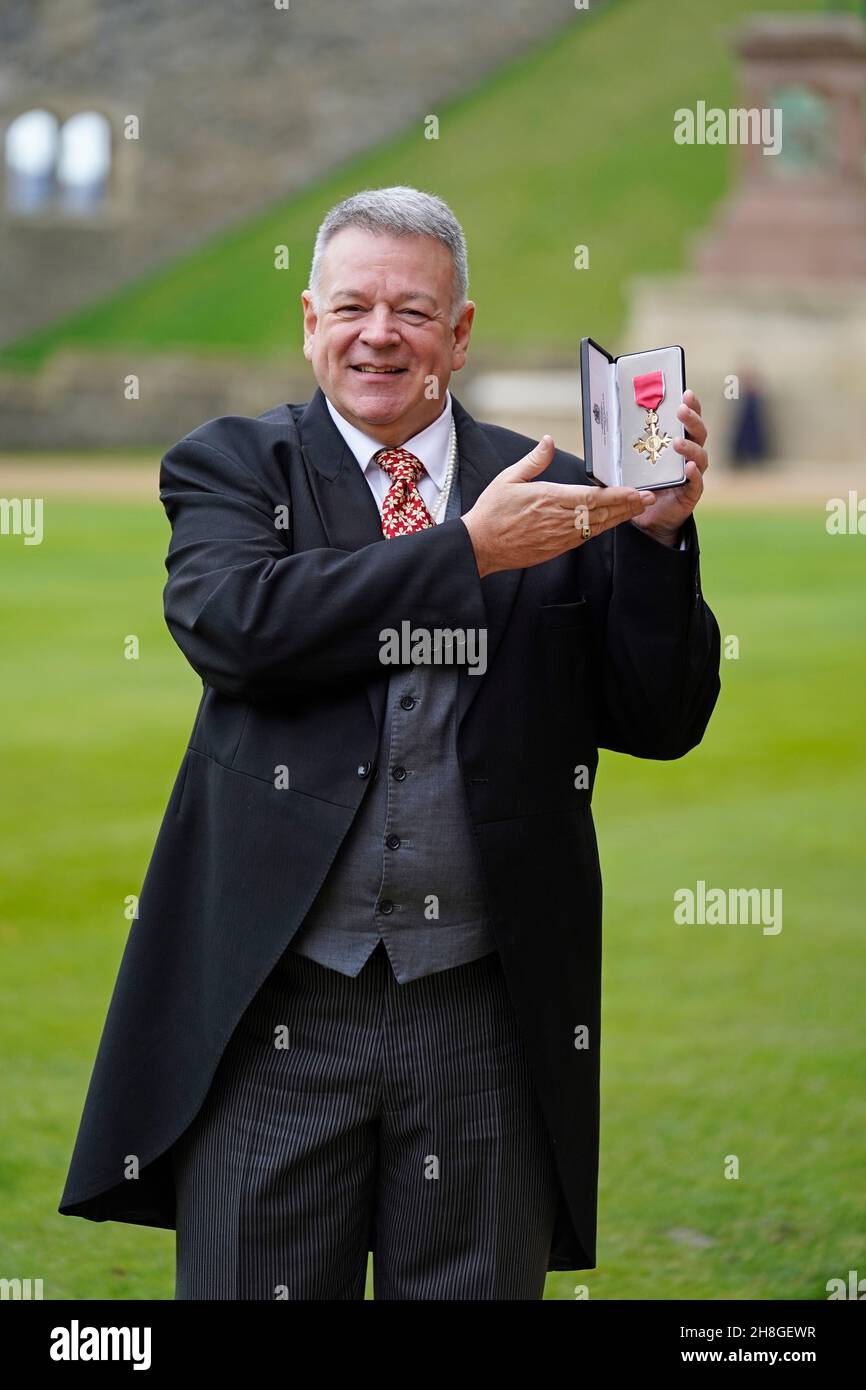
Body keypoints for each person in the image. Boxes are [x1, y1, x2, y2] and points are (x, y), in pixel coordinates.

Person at [59, 185, 721, 1300]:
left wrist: (655, 542)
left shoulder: (560, 488)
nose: (379, 334)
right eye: (353, 306)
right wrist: (466, 551)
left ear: (458, 335)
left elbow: (659, 720)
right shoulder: (232, 466)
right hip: (273, 1009)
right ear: (310, 321)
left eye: (412, 311)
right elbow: (237, 631)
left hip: (485, 1013)